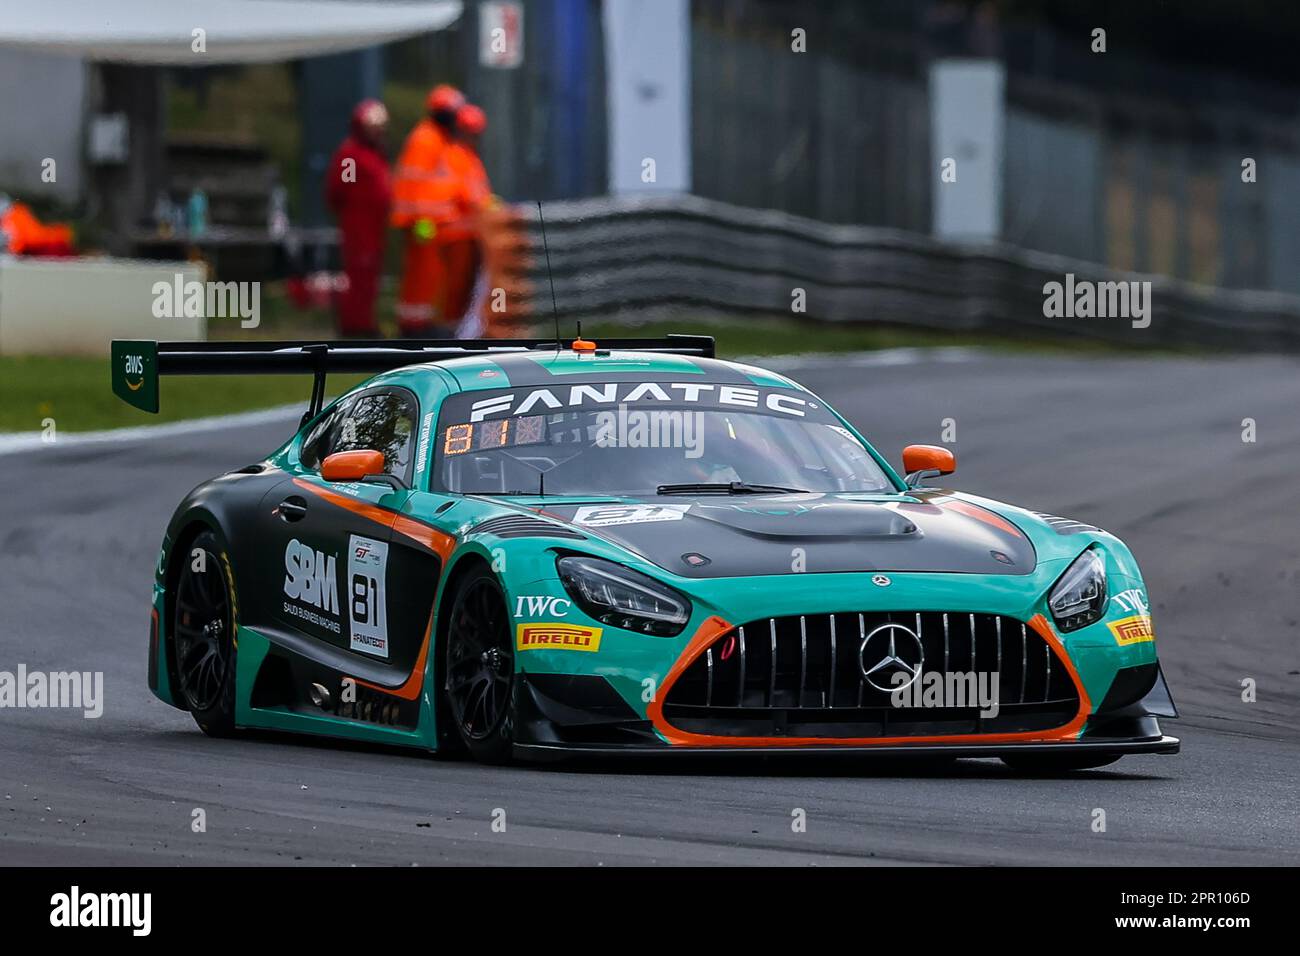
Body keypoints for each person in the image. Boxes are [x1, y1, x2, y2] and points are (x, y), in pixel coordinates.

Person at [390, 84, 465, 337]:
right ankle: (412, 326)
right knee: (420, 275)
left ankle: (419, 322)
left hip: (430, 222)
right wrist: (421, 219)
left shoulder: (435, 138)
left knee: (429, 275)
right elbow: (416, 182)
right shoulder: (426, 139)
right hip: (423, 222)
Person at [324, 99, 391, 338]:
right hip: (359, 227)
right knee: (359, 278)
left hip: (373, 227)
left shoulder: (372, 154)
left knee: (369, 280)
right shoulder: (351, 155)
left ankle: (364, 322)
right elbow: (339, 190)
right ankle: (356, 327)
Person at [443, 103, 494, 334]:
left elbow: (479, 192)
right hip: (456, 232)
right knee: (455, 288)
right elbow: (465, 194)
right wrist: (486, 205)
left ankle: (460, 330)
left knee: (466, 288)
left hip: (470, 231)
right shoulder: (454, 156)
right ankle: (451, 332)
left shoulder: (470, 158)